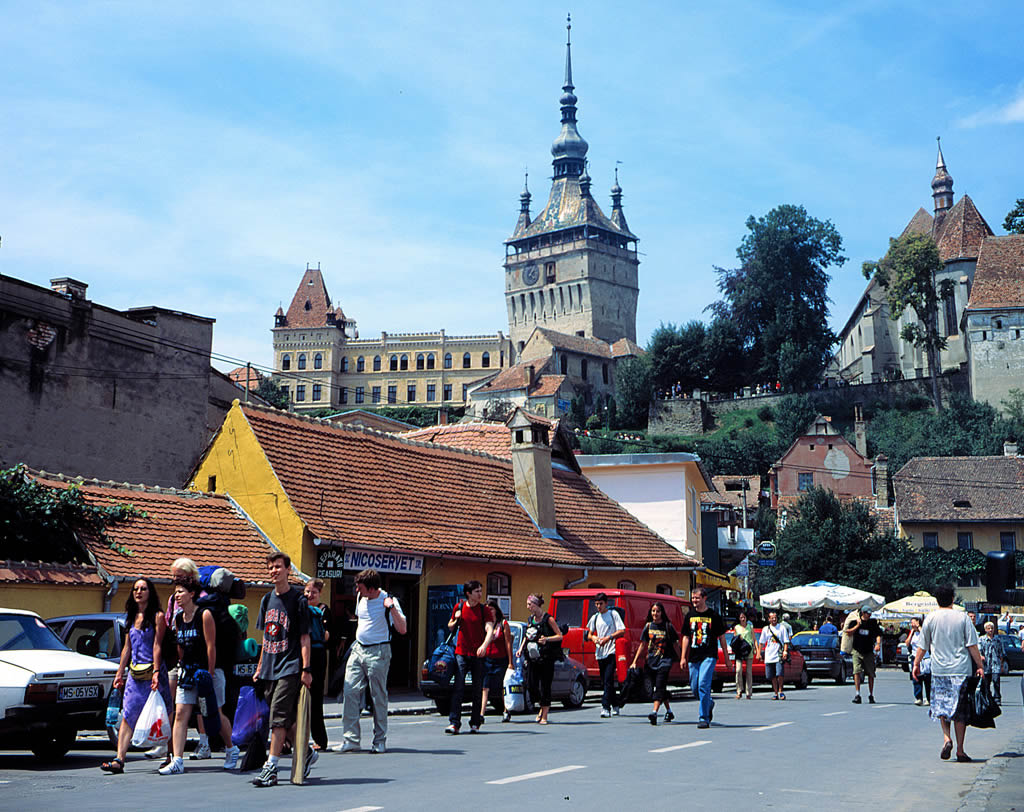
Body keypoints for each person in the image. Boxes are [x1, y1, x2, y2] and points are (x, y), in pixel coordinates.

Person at [159, 578, 238, 775]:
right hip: (188, 672)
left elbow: (211, 646)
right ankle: (177, 760)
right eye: (176, 592)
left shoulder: (204, 615)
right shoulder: (179, 618)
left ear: (192, 594)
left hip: (208, 672)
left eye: (180, 592)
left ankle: (231, 748)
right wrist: (181, 666)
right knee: (180, 714)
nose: (177, 596)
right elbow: (180, 646)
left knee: (215, 712)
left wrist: (209, 674)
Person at [251, 552, 314, 787]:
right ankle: (307, 752)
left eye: (278, 567)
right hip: (269, 667)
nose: (274, 571)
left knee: (277, 717)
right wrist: (259, 667)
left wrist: (306, 669)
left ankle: (271, 767)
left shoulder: (298, 601)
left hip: (290, 666)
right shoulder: (266, 600)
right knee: (284, 719)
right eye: (270, 568)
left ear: (288, 570)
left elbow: (305, 638)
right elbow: (265, 637)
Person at [101, 578, 173, 774]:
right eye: (136, 589)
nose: (139, 592)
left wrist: (156, 672)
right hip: (135, 674)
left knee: (164, 713)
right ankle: (119, 759)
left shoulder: (158, 616)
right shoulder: (131, 617)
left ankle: (171, 755)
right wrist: (119, 673)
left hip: (154, 673)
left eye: (143, 589)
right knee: (128, 713)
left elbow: (157, 645)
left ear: (150, 593)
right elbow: (127, 648)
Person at [912, 584, 985, 762]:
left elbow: (922, 646)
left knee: (942, 707)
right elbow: (972, 645)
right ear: (953, 599)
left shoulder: (930, 618)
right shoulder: (963, 617)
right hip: (961, 670)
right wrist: (979, 665)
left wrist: (916, 664)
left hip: (939, 670)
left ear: (937, 600)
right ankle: (960, 750)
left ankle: (946, 738)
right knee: (960, 710)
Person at [340, 568, 406, 753]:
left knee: (378, 696)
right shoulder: (361, 598)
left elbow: (402, 629)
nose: (356, 591)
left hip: (379, 651)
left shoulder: (389, 600)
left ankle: (379, 741)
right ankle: (351, 740)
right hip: (358, 649)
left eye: (360, 587)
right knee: (350, 691)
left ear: (371, 588)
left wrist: (391, 608)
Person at [445, 580, 495, 734]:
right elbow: (450, 626)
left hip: (478, 654)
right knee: (458, 686)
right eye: (477, 591)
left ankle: (475, 722)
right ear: (468, 593)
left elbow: (490, 630)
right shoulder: (459, 607)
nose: (480, 594)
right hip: (461, 652)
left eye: (480, 591)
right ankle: (454, 723)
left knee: (477, 688)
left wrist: (484, 646)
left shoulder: (484, 610)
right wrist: (456, 619)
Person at [680, 587, 729, 729]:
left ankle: (704, 717)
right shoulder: (689, 616)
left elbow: (722, 638)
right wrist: (683, 657)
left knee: (703, 684)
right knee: (694, 688)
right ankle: (709, 703)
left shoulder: (713, 615)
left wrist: (727, 659)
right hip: (694, 657)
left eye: (697, 598)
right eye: (693, 598)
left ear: (704, 598)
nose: (694, 600)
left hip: (709, 655)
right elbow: (686, 637)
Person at [518, 593, 562, 725]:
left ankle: (544, 715)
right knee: (531, 685)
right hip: (533, 658)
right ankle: (541, 707)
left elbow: (559, 635)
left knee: (545, 686)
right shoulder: (530, 619)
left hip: (546, 658)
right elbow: (527, 635)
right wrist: (521, 648)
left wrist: (546, 639)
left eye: (529, 604)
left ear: (536, 604)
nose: (528, 607)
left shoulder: (548, 619)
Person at [632, 601, 679, 725]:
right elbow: (642, 645)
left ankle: (654, 712)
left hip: (665, 661)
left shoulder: (668, 626)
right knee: (659, 687)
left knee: (659, 685)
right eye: (653, 611)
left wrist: (682, 659)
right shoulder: (648, 626)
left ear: (662, 613)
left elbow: (675, 644)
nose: (655, 613)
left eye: (658, 611)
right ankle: (669, 711)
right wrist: (635, 661)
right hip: (651, 662)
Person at [586, 593, 626, 718]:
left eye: (601, 604)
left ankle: (605, 707)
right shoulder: (595, 617)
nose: (599, 606)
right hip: (600, 652)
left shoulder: (613, 614)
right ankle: (616, 704)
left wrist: (608, 638)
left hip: (611, 650)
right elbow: (589, 634)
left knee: (608, 679)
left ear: (606, 603)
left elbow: (622, 630)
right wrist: (594, 638)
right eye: (597, 604)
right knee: (605, 681)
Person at [304, 579, 332, 751]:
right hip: (302, 653)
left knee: (315, 699)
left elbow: (327, 636)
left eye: (313, 592)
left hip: (317, 655)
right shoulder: (301, 608)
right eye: (307, 591)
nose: (309, 595)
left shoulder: (323, 610)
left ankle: (320, 739)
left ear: (320, 593)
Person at [480, 599, 514, 723]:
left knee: (502, 686)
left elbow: (508, 643)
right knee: (485, 687)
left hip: (501, 659)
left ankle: (506, 711)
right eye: (487, 609)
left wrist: (510, 662)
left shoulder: (503, 623)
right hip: (487, 659)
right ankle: (481, 713)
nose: (489, 611)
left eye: (491, 609)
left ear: (496, 610)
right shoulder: (485, 624)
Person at [846, 607, 882, 704]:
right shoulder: (854, 622)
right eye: (867, 613)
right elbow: (848, 632)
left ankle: (871, 694)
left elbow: (878, 634)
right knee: (856, 671)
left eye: (870, 613)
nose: (869, 615)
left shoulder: (872, 623)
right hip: (857, 651)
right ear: (863, 613)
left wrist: (878, 644)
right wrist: (857, 625)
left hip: (868, 651)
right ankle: (857, 694)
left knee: (871, 673)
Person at [758, 610, 790, 700]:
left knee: (780, 673)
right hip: (769, 655)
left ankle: (781, 691)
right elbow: (761, 642)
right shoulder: (766, 629)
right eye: (772, 618)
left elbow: (786, 641)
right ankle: (775, 692)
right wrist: (759, 653)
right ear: (769, 619)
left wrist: (785, 651)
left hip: (778, 655)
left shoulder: (782, 628)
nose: (774, 619)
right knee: (771, 676)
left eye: (775, 618)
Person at [732, 610, 758, 700]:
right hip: (740, 651)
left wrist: (756, 650)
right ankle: (739, 690)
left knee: (748, 672)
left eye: (744, 617)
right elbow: (734, 640)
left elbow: (754, 639)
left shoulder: (750, 627)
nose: (742, 619)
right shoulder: (736, 627)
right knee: (738, 670)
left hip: (748, 650)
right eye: (741, 617)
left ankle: (748, 692)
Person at [978, 621, 1004, 705]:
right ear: (985, 629)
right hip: (986, 665)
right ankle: (987, 698)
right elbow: (979, 652)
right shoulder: (981, 639)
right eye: (988, 628)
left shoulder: (998, 640)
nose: (990, 630)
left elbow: (1001, 653)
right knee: (986, 683)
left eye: (992, 628)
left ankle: (997, 698)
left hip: (996, 664)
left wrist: (1002, 665)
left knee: (996, 681)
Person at [905, 617, 926, 705]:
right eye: (911, 623)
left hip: (924, 657)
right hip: (914, 656)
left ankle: (928, 698)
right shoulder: (913, 633)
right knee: (916, 678)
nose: (912, 625)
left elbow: (926, 637)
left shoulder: (923, 631)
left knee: (926, 677)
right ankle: (918, 697)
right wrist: (912, 632)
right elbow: (907, 643)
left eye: (913, 622)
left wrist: (920, 628)